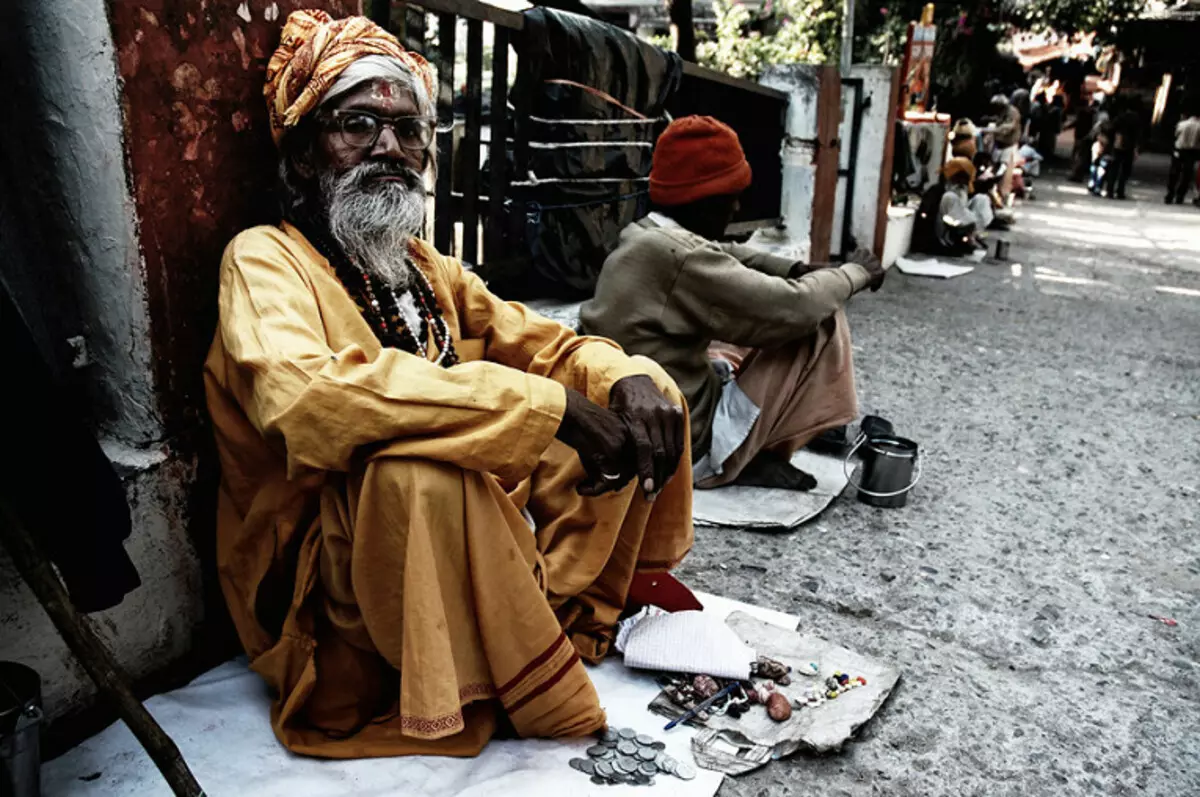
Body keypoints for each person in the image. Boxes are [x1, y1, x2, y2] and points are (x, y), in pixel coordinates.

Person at [204, 10, 694, 758]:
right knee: (419, 472)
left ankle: (545, 614)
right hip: (328, 582)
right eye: (358, 124)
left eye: (408, 130)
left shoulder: (421, 265)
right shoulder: (264, 258)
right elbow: (308, 401)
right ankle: (488, 676)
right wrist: (545, 408)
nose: (389, 149)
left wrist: (618, 373)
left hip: (453, 527)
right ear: (304, 154)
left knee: (639, 385)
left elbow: (541, 342)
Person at [580, 117, 885, 493]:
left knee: (740, 335)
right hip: (684, 448)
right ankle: (740, 458)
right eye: (730, 197)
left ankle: (742, 442)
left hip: (634, 420)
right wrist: (856, 274)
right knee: (820, 318)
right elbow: (797, 305)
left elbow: (722, 253)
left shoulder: (644, 234)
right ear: (703, 200)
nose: (737, 206)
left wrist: (796, 267)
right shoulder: (680, 258)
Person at [987, 94, 1021, 202]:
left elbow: (1008, 127)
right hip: (999, 145)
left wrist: (992, 130)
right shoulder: (1001, 112)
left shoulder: (1012, 112)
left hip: (1008, 145)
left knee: (1004, 172)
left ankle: (1003, 195)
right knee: (995, 169)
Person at [1106, 101, 1140, 199]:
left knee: (1114, 169)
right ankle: (1120, 191)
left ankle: (1110, 190)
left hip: (1118, 145)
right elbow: (1138, 135)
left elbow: (1110, 130)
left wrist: (1111, 142)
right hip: (1130, 146)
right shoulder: (1136, 119)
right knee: (1125, 171)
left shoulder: (1120, 117)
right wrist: (1137, 148)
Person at [1166, 110, 1200, 205]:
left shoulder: (1182, 124)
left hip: (1179, 149)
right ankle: (1180, 196)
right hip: (1192, 151)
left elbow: (1176, 134)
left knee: (1174, 172)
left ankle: (1170, 193)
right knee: (1187, 174)